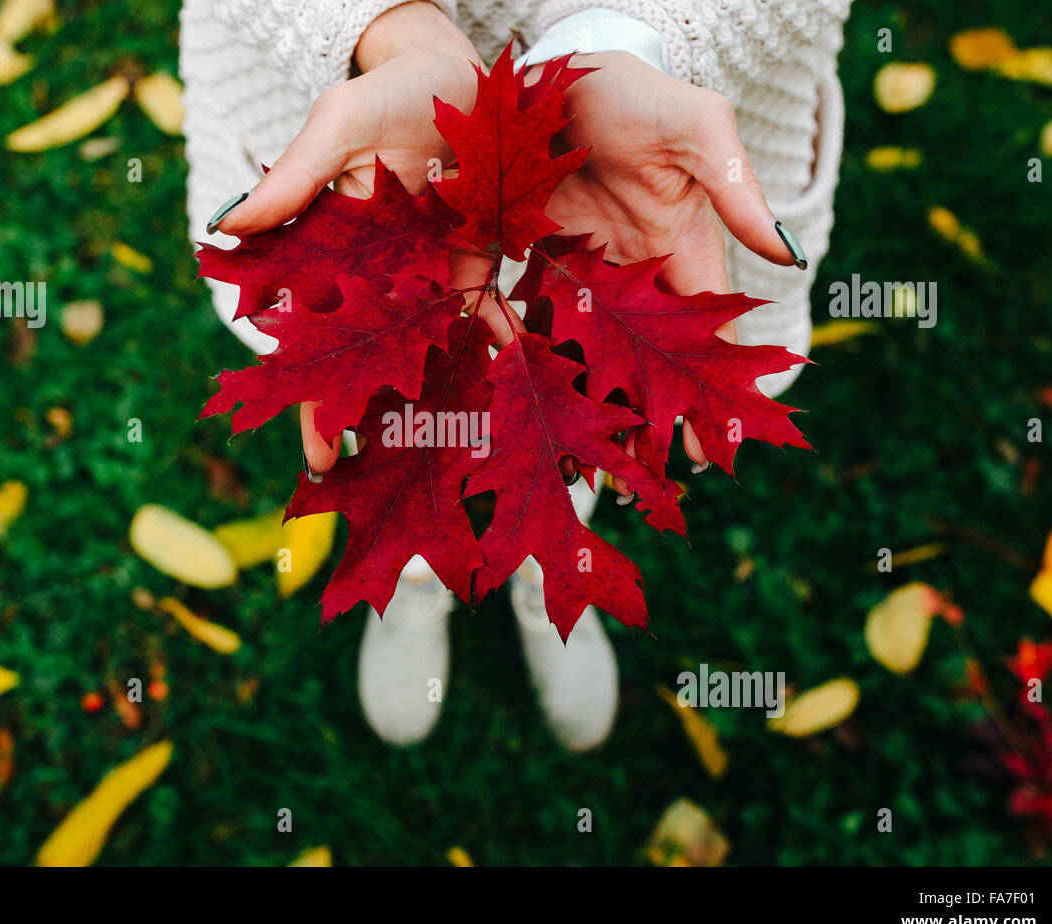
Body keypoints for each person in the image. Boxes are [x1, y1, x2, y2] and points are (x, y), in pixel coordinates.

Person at [180, 0, 850, 751]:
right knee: (384, 402)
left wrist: (625, 43)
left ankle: (544, 567)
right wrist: (386, 31)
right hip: (373, 143)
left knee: (591, 418)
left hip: (633, 172)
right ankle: (416, 568)